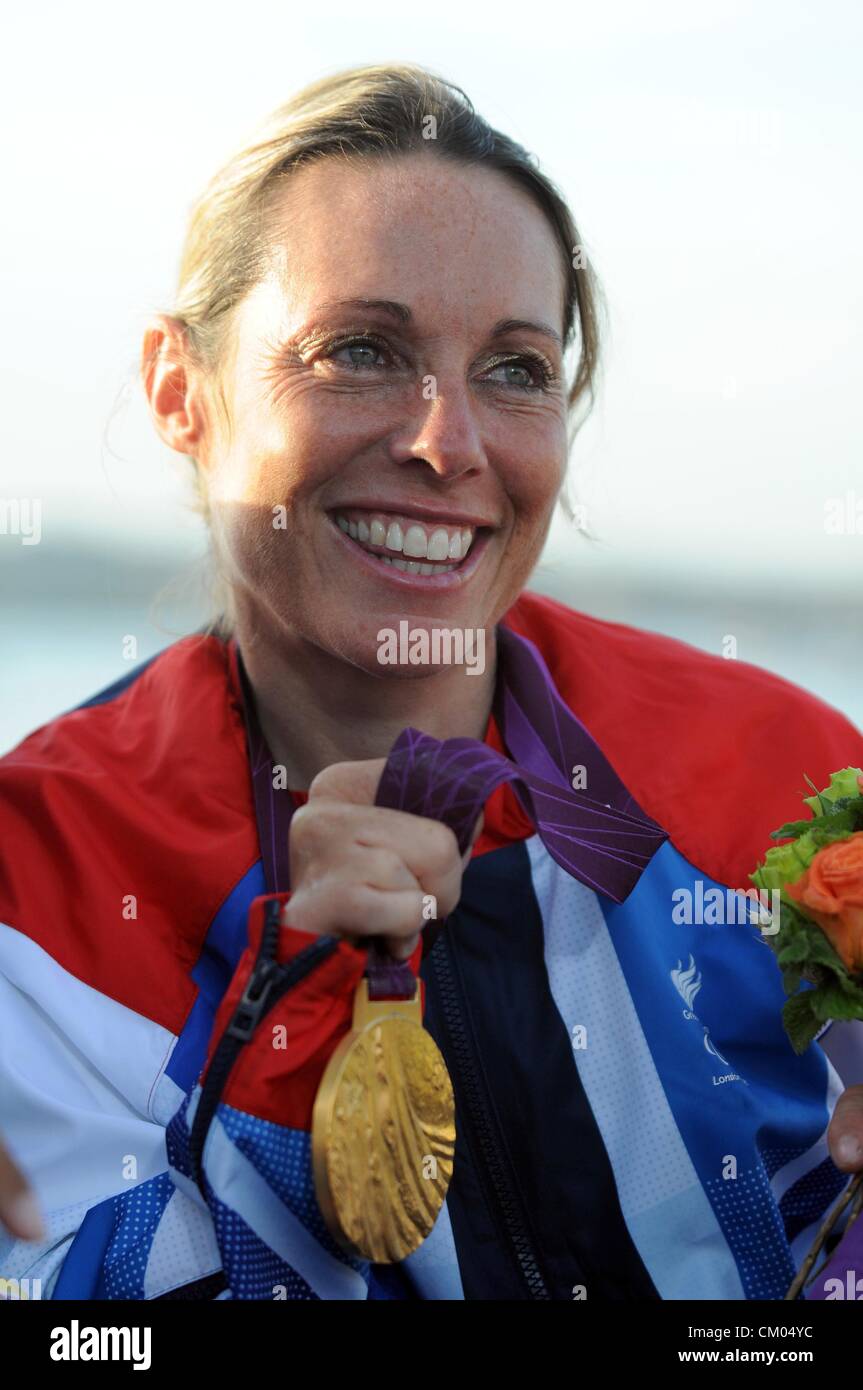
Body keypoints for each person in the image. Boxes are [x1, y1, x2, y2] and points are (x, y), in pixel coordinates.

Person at [1, 62, 862, 1303]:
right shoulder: (41, 878)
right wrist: (294, 1016)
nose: (444, 443)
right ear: (179, 392)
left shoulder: (778, 773)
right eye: (359, 348)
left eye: (512, 369)